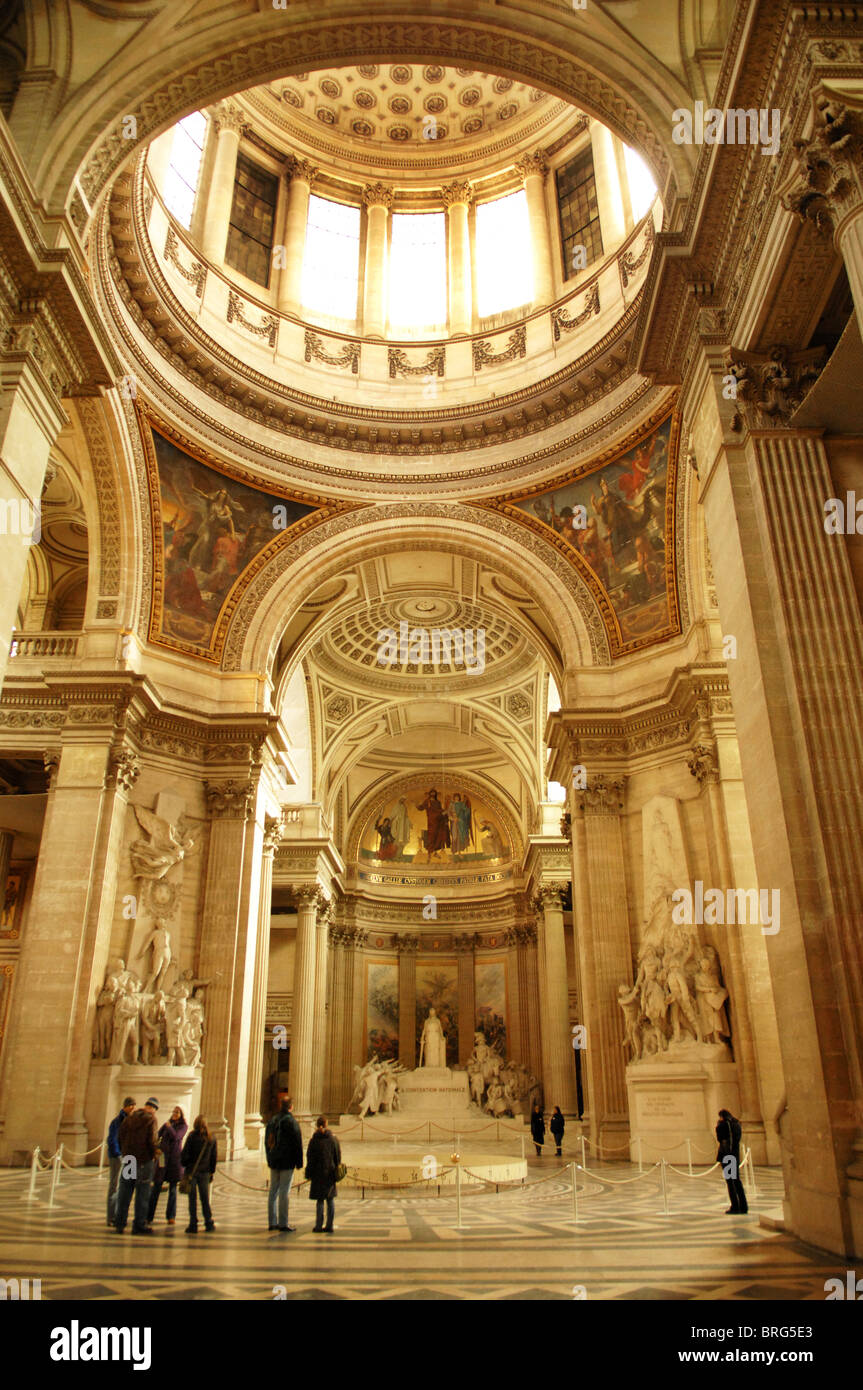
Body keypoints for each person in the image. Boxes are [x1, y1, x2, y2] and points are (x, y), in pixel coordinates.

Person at [113, 1096, 159, 1235]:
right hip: (144, 1161)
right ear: (154, 1109)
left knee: (125, 1192)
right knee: (142, 1194)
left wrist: (126, 1152)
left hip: (129, 1159)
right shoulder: (151, 1119)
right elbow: (152, 1140)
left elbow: (120, 1137)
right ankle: (138, 1224)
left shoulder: (130, 1118)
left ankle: (120, 1223)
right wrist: (153, 1154)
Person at [265, 1094, 303, 1232]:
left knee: (273, 1191)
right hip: (287, 1162)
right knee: (284, 1192)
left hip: (274, 1160)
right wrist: (299, 1162)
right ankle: (283, 1223)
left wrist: (268, 1158)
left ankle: (272, 1222)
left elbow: (266, 1142)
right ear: (291, 1107)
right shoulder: (292, 1122)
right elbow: (297, 1143)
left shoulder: (273, 1120)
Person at [147, 1105, 187, 1227]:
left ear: (181, 1114)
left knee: (173, 1189)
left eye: (177, 1112)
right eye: (174, 1111)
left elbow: (176, 1137)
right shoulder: (167, 1124)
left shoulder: (183, 1126)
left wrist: (169, 1128)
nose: (175, 1114)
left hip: (174, 1159)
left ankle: (171, 1216)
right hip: (163, 1157)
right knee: (156, 1187)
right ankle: (149, 1215)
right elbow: (157, 1135)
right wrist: (155, 1148)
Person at [181, 1114, 217, 1233]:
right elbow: (213, 1158)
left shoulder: (191, 1137)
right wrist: (212, 1172)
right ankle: (208, 1222)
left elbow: (185, 1155)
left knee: (192, 1199)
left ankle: (193, 1223)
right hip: (205, 1172)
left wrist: (186, 1164)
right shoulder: (211, 1138)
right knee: (205, 1199)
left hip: (192, 1171)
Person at [306, 1115, 341, 1234]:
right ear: (327, 1124)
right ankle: (329, 1225)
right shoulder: (333, 1139)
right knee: (330, 1200)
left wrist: (309, 1173)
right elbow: (338, 1157)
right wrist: (336, 1168)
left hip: (317, 1173)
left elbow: (309, 1158)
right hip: (330, 1173)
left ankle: (318, 1226)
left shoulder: (313, 1140)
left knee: (320, 1200)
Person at [105, 1096, 136, 1228]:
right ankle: (111, 1216)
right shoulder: (117, 1121)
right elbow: (112, 1140)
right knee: (115, 1186)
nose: (133, 1108)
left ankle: (121, 1215)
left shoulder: (134, 1121)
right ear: (126, 1106)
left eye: (134, 1106)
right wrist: (118, 1154)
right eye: (131, 1106)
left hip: (130, 1157)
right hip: (117, 1157)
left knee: (128, 1187)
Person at [716, 1108, 748, 1214]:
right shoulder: (736, 1124)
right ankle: (743, 1206)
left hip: (727, 1156)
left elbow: (719, 1137)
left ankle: (735, 1206)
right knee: (737, 1181)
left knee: (731, 1182)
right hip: (734, 1155)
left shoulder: (724, 1125)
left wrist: (718, 1125)